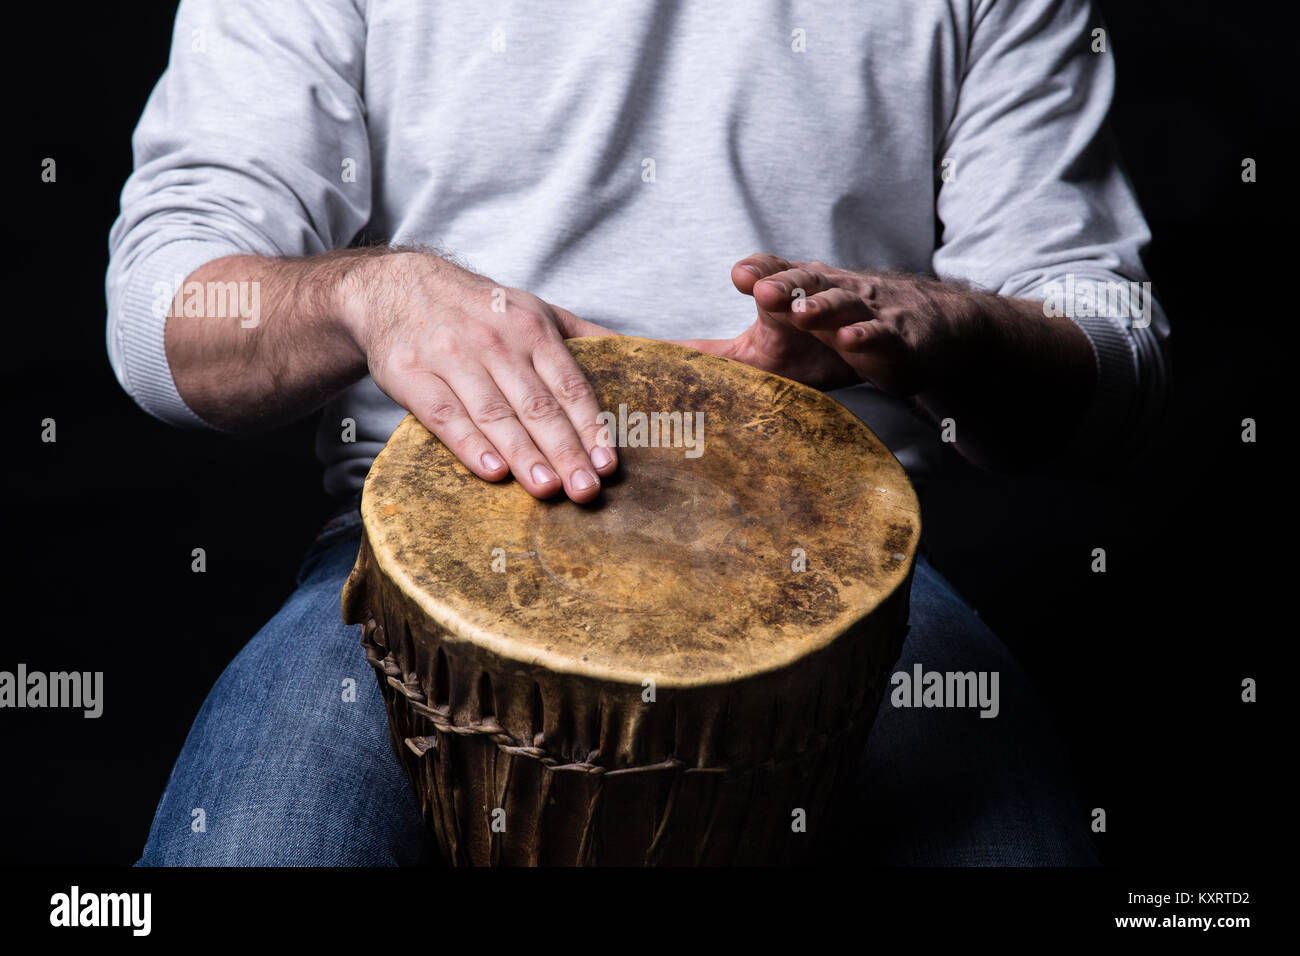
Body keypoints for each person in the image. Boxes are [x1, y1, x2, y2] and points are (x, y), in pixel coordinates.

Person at [109, 0, 1168, 865]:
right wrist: (373, 295)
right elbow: (158, 318)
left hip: (834, 581)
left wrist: (955, 325)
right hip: (411, 572)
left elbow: (1115, 366)